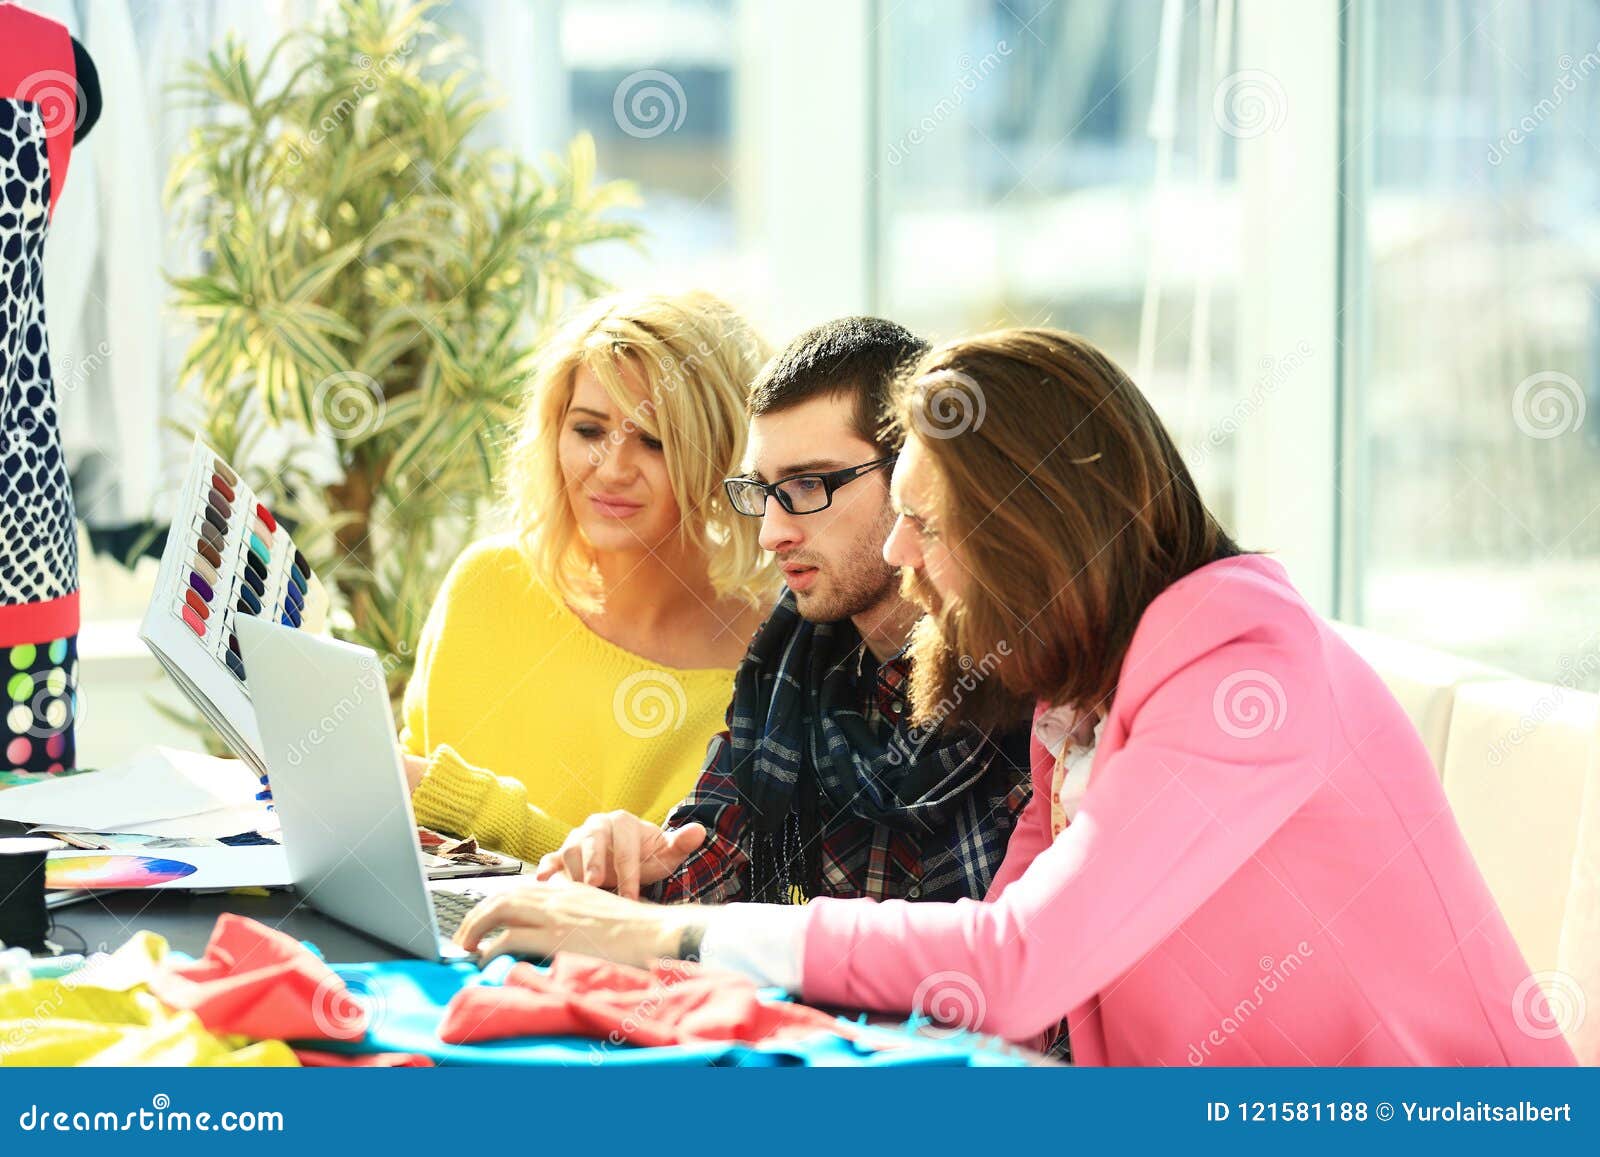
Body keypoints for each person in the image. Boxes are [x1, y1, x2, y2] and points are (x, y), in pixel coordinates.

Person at [453, 327, 1579, 1067]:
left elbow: (1017, 957)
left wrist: (678, 938)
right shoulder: (1079, 691)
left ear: (1031, 529)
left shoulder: (1246, 669)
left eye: (927, 521)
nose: (901, 550)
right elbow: (1003, 975)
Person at [534, 317, 1034, 907]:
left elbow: (1011, 959)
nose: (772, 532)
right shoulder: (786, 662)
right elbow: (706, 859)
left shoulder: (1030, 676)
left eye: (808, 486)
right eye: (763, 491)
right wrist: (622, 860)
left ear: (915, 477)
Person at [397, 290, 771, 861]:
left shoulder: (762, 671)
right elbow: (404, 819)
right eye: (589, 431)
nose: (612, 469)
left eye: (653, 441)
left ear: (722, 453)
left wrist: (451, 798)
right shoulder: (486, 583)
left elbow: (642, 899)